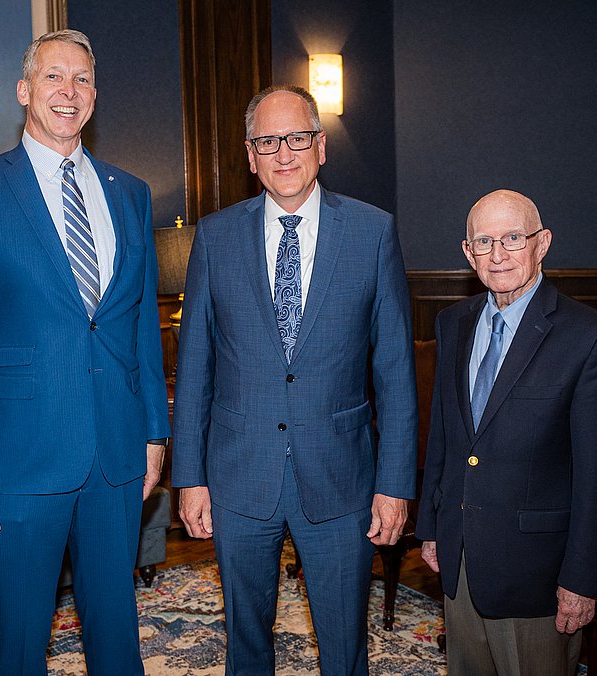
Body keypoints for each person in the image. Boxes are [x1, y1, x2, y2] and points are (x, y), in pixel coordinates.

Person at [0, 29, 170, 674]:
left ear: (95, 94)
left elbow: (139, 325)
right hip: (20, 459)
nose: (69, 92)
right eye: (54, 78)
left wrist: (155, 432)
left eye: (83, 79)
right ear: (24, 92)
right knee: (23, 643)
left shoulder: (131, 193)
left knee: (118, 632)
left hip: (117, 450)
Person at [171, 85, 418, 674]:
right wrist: (190, 478)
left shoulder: (372, 232)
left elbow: (394, 372)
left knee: (343, 648)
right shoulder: (214, 237)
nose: (284, 153)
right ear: (250, 156)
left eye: (297, 138)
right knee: (246, 645)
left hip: (340, 479)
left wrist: (395, 483)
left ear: (320, 146)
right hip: (238, 478)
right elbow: (196, 366)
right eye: (267, 141)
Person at [416, 189, 597, 675]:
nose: (499, 255)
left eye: (513, 238)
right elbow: (449, 438)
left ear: (543, 242)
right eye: (484, 242)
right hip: (462, 554)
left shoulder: (591, 337)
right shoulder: (453, 324)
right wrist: (432, 526)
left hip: (539, 572)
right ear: (468, 253)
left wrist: (582, 578)